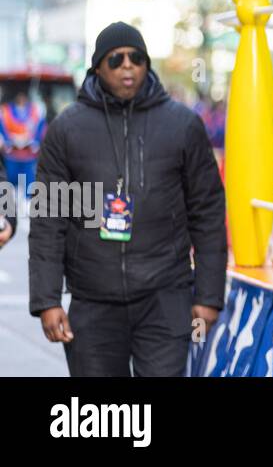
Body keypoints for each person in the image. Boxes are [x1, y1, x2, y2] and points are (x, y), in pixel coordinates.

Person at [28, 22, 227, 376]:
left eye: (137, 58)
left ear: (147, 63)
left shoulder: (182, 125)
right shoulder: (66, 129)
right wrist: (46, 300)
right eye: (115, 59)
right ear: (97, 68)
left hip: (166, 297)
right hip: (92, 303)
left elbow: (208, 212)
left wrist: (208, 297)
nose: (127, 66)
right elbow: (48, 219)